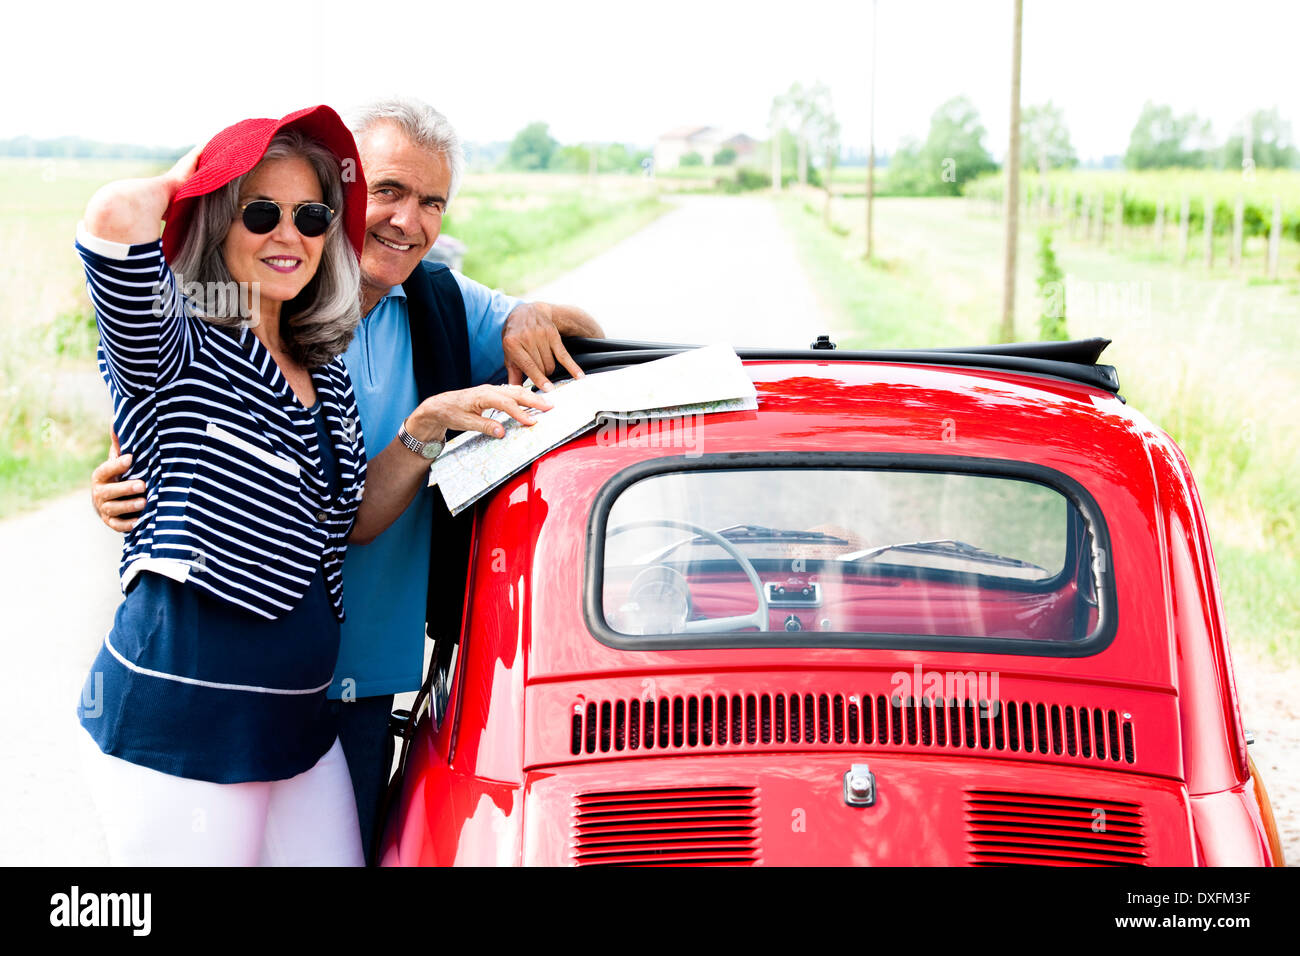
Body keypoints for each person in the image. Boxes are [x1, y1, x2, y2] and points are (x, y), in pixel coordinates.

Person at [89, 96, 603, 862]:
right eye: (388, 192)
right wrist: (198, 178)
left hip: (346, 686)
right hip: (205, 693)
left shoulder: (417, 309)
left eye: (432, 202)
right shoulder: (223, 310)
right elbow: (150, 332)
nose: (406, 220)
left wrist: (529, 315)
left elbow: (347, 513)